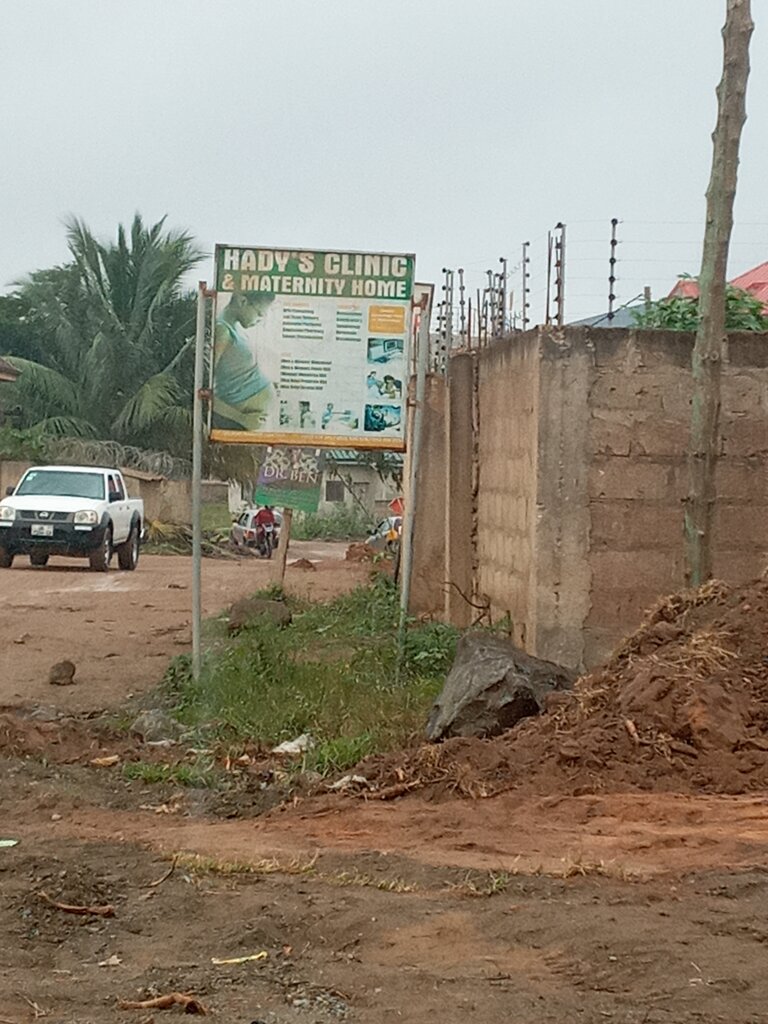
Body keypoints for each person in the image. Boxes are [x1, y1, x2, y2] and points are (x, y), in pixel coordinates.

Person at [213, 291, 275, 430]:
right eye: (260, 313)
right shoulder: (222, 331)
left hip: (248, 419)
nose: (261, 319)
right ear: (242, 301)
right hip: (239, 420)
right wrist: (242, 419)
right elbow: (204, 388)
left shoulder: (234, 328)